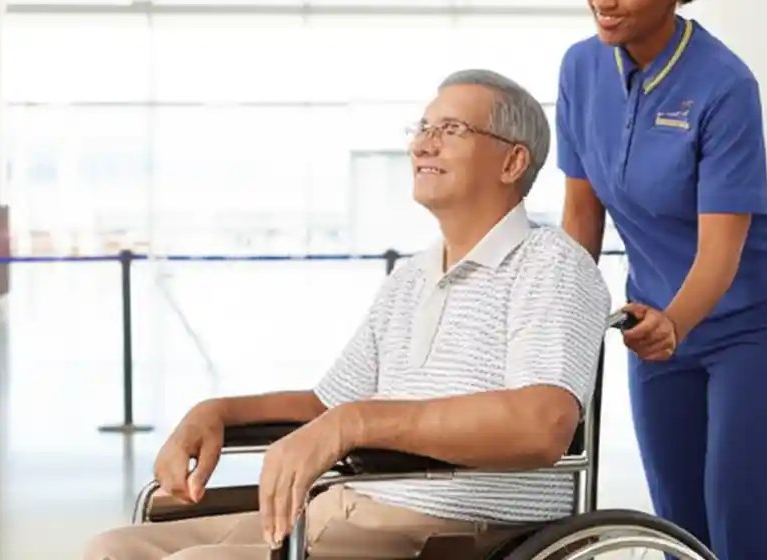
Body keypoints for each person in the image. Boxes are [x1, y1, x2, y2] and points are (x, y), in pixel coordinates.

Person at [84, 69, 611, 559]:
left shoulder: (551, 264)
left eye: (451, 129)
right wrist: (218, 412)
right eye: (423, 127)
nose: (423, 143)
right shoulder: (412, 275)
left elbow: (542, 426)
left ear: (512, 162)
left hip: (446, 530)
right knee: (111, 549)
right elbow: (327, 404)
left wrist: (358, 422)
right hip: (338, 509)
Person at [554, 0, 767, 559]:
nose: (603, 0)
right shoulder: (581, 71)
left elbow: (721, 250)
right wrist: (553, 317)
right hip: (655, 328)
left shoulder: (723, 85)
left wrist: (679, 322)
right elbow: (582, 217)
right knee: (679, 530)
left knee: (742, 526)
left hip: (751, 329)